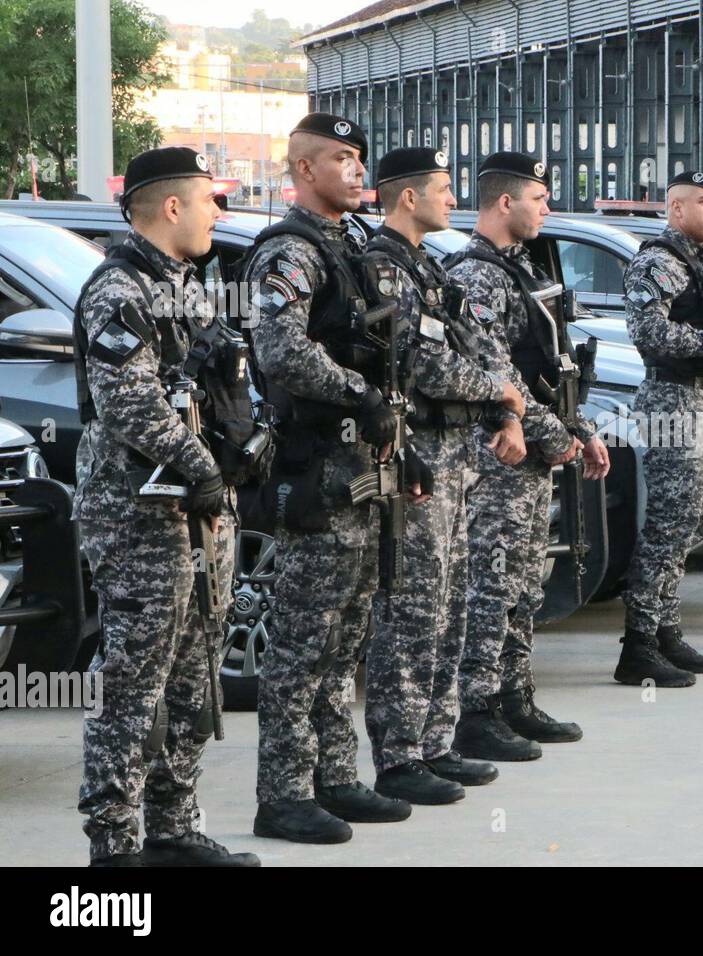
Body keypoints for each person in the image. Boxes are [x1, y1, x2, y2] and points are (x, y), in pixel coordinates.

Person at [75, 146, 262, 866]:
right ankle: (116, 848)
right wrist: (202, 466)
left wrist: (244, 446)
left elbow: (213, 386)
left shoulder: (186, 285)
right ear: (173, 206)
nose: (220, 211)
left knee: (191, 673)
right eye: (210, 199)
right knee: (133, 679)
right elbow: (130, 403)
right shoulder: (119, 287)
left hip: (196, 508)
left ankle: (175, 828)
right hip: (139, 510)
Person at [247, 113, 412, 844]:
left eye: (359, 159)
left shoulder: (351, 250)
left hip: (366, 467)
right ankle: (283, 793)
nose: (356, 169)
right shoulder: (289, 251)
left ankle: (336, 777)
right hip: (318, 468)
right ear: (305, 169)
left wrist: (400, 437)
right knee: (302, 642)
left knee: (346, 638)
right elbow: (280, 352)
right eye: (341, 159)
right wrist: (358, 395)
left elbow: (386, 356)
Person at [361, 147, 527, 801]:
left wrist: (500, 405)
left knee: (449, 606)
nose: (453, 198)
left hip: (457, 454)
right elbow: (425, 365)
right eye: (442, 187)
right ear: (408, 197)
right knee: (411, 610)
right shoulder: (383, 267)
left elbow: (472, 346)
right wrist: (503, 394)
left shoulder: (427, 267)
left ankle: (435, 741)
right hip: (417, 456)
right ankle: (399, 756)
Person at [445, 151, 610, 756]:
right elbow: (495, 369)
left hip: (533, 453)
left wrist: (581, 429)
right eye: (539, 199)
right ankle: (477, 710)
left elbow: (551, 367)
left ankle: (514, 697)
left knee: (521, 585)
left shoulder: (521, 268)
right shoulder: (475, 273)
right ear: (506, 202)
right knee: (489, 585)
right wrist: (552, 433)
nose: (547, 209)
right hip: (499, 455)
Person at [614, 170, 703, 687]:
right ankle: (639, 645)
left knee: (688, 522)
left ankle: (665, 631)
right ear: (674, 209)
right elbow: (646, 329)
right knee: (668, 525)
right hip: (671, 402)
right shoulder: (659, 262)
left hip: (700, 400)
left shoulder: (699, 262)